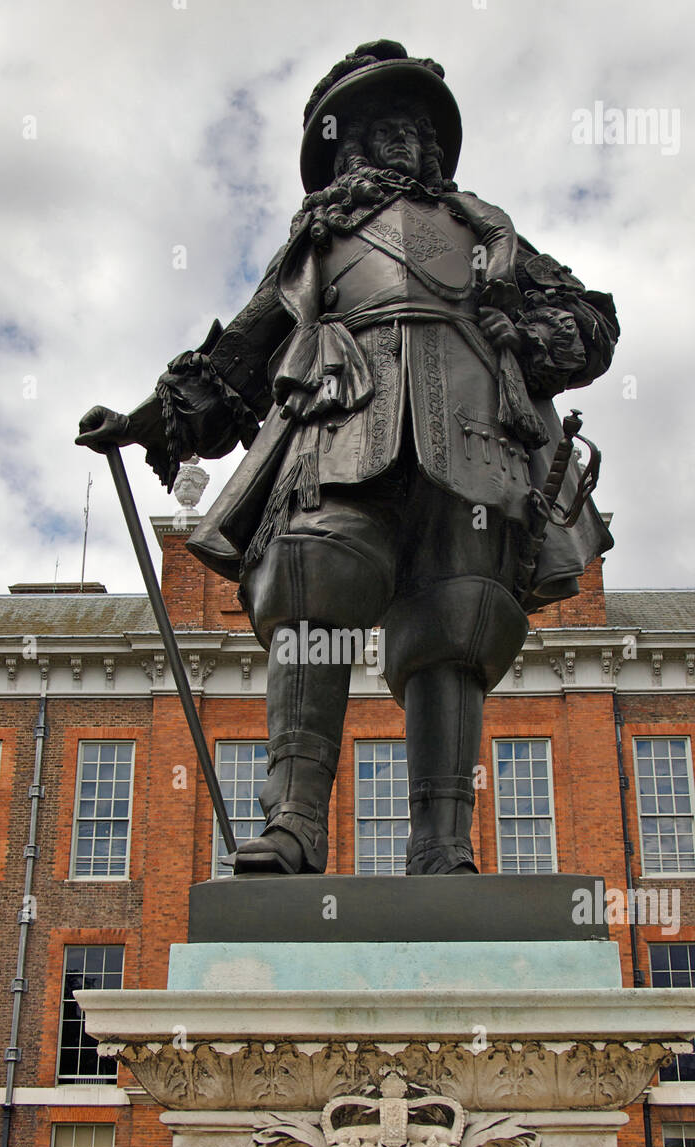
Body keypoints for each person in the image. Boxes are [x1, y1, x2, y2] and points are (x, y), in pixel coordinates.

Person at [77, 41, 619, 877]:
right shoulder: (321, 239)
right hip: (345, 413)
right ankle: (295, 822)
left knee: (460, 616)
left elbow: (585, 320)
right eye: (377, 127)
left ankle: (442, 844)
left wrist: (536, 337)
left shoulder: (486, 229)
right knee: (309, 577)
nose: (400, 140)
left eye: (411, 126)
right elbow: (243, 354)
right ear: (345, 148)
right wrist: (155, 417)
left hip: (472, 431)